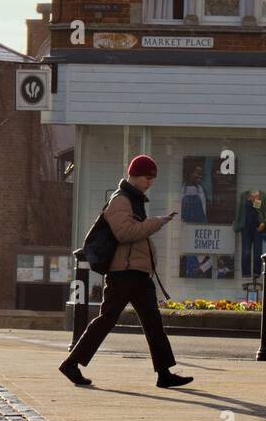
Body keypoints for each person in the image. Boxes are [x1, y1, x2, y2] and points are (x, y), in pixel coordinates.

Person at [60, 154, 194, 390]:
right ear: (134, 175)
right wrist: (157, 222)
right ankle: (71, 363)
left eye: (153, 178)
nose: (150, 182)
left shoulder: (134, 200)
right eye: (147, 177)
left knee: (153, 322)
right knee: (107, 320)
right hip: (123, 273)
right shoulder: (121, 200)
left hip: (137, 273)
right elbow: (126, 233)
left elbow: (132, 235)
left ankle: (164, 373)